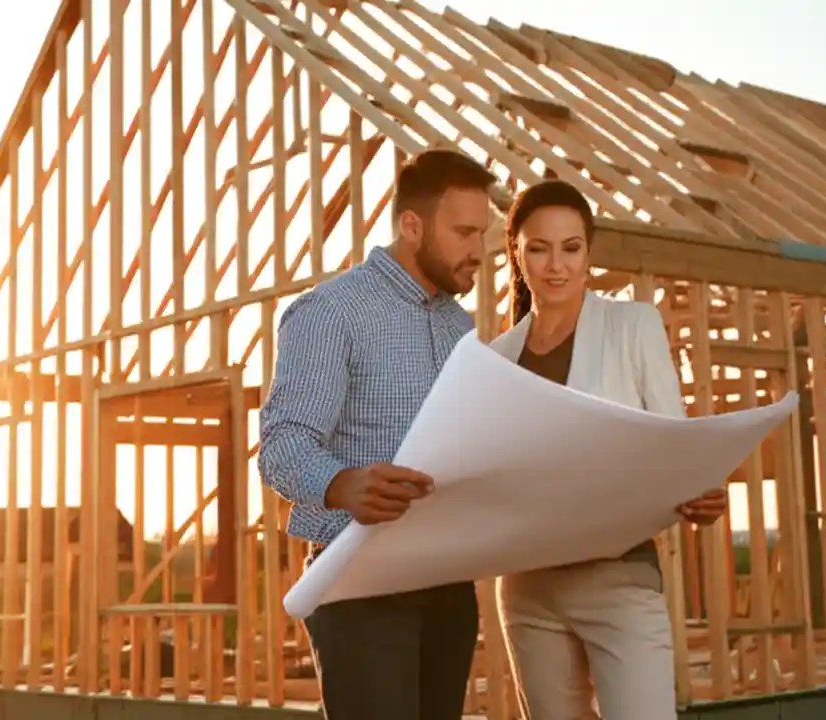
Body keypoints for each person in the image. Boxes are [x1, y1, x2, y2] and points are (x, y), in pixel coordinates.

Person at [257, 147, 496, 719]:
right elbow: (282, 444)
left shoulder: (459, 326)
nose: (479, 252)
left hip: (446, 582)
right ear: (411, 226)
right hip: (361, 586)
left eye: (483, 234)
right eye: (464, 232)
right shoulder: (331, 311)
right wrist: (342, 484)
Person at [488, 179, 729, 720]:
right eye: (539, 249)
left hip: (620, 577)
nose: (556, 265)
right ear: (517, 255)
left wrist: (698, 493)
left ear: (588, 253)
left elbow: (673, 443)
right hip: (528, 590)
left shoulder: (632, 325)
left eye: (571, 248)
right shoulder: (497, 358)